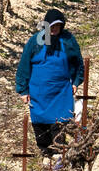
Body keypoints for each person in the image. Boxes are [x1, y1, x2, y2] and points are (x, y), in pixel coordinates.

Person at [15, 8, 85, 158]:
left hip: (60, 93)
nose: (54, 30)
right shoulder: (36, 41)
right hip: (39, 93)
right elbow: (24, 66)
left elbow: (77, 62)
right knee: (40, 125)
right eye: (51, 26)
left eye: (57, 27)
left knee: (59, 125)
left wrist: (76, 81)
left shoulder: (68, 41)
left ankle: (58, 157)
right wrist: (23, 90)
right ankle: (45, 155)